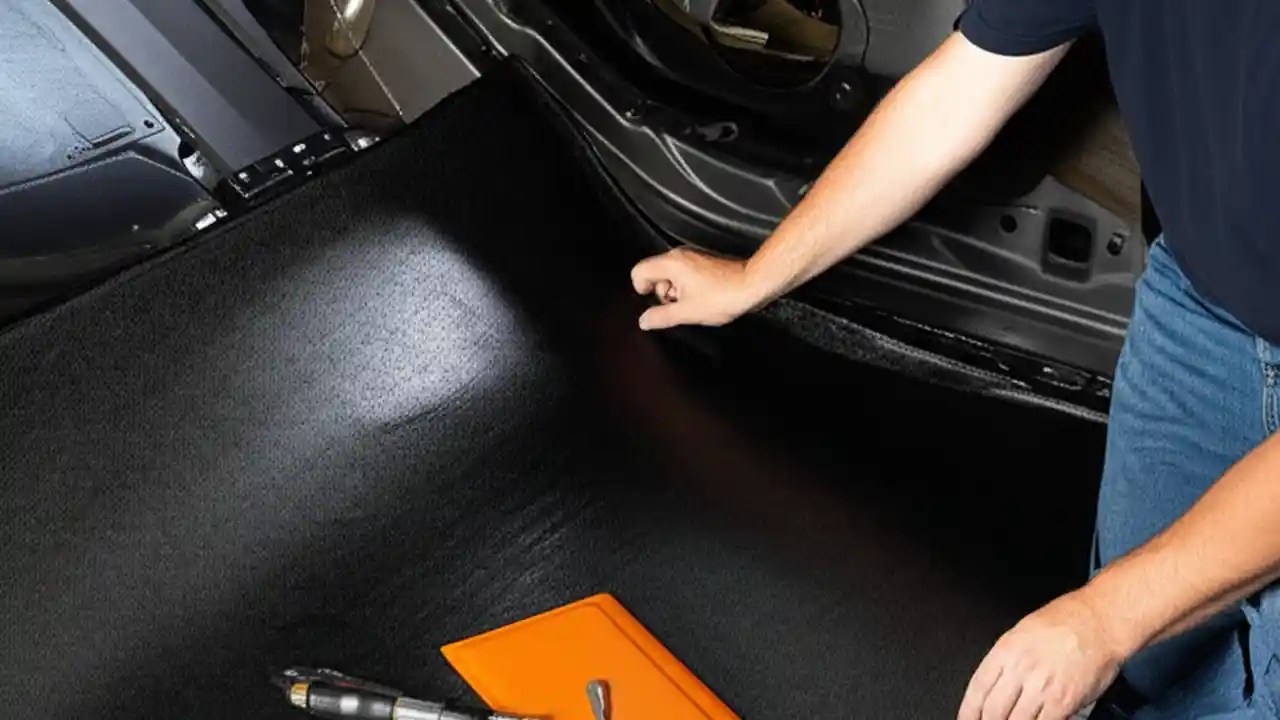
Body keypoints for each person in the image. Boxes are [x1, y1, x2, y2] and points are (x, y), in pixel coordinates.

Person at [629, 2, 1280, 719]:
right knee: (1156, 676)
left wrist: (1103, 620)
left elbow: (1107, 624)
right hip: (1201, 301)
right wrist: (755, 277)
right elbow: (956, 95)